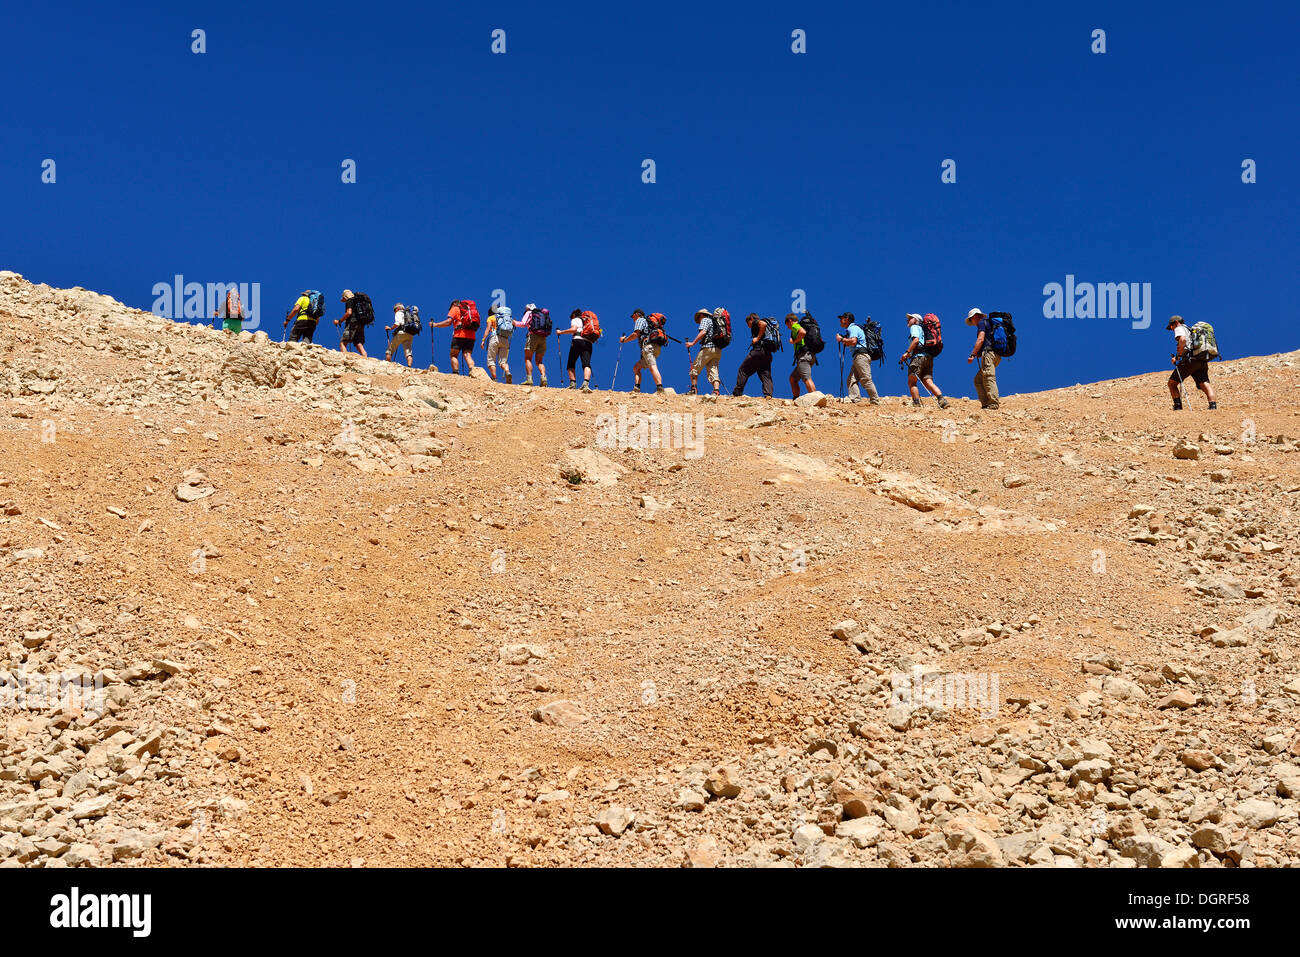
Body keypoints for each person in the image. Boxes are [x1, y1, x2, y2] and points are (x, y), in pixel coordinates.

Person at [899, 313, 950, 408]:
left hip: (918, 357)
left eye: (910, 318)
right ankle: (941, 400)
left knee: (912, 381)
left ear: (915, 320)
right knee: (927, 381)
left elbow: (916, 341)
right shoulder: (923, 330)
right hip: (928, 357)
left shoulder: (914, 327)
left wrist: (907, 352)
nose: (908, 320)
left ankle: (916, 403)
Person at [1167, 315, 1217, 410]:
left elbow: (1183, 340)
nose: (1172, 329)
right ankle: (1213, 406)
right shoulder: (1190, 330)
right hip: (1201, 359)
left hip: (1190, 360)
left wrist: (1179, 356)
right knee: (1204, 383)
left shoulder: (1179, 328)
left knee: (1172, 383)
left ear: (1176, 322)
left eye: (1171, 327)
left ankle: (1178, 407)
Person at [835, 312, 880, 404]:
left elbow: (853, 341)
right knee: (851, 379)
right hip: (858, 357)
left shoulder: (853, 328)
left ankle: (875, 400)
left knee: (866, 378)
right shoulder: (852, 329)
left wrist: (842, 339)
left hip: (861, 356)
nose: (840, 320)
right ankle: (855, 399)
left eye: (841, 318)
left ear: (846, 319)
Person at [619, 309, 665, 394]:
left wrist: (624, 340)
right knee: (636, 367)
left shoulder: (640, 320)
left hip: (648, 347)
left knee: (652, 366)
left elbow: (635, 334)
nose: (633, 318)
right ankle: (637, 388)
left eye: (633, 316)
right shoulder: (650, 323)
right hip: (656, 347)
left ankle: (660, 388)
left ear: (637, 314)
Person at [731, 313, 776, 398]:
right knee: (765, 374)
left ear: (751, 319)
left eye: (748, 323)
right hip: (767, 354)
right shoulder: (768, 331)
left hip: (758, 351)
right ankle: (768, 395)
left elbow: (763, 324)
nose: (748, 326)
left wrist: (757, 338)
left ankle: (737, 393)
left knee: (743, 370)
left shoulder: (756, 322)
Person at [964, 308, 1001, 410]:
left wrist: (973, 354)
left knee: (989, 377)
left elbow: (980, 339)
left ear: (975, 316)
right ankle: (985, 404)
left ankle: (993, 403)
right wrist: (979, 353)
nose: (972, 322)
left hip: (989, 354)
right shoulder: (989, 324)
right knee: (978, 380)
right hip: (996, 355)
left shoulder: (981, 323)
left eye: (971, 320)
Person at [432, 299, 478, 374]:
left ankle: (455, 373)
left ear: (453, 304)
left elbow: (448, 322)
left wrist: (435, 324)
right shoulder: (468, 310)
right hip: (471, 335)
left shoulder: (455, 309)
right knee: (467, 354)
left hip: (459, 334)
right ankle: (473, 371)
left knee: (454, 355)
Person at [685, 307, 722, 398]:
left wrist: (692, 343)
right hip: (717, 349)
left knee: (694, 368)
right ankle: (716, 391)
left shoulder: (705, 320)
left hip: (708, 348)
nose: (699, 320)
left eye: (698, 318)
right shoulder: (714, 323)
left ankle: (693, 389)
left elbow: (703, 332)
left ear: (701, 315)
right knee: (713, 370)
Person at [558, 308, 597, 391]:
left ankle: (573, 384)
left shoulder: (575, 319)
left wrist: (561, 332)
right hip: (588, 342)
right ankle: (585, 384)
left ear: (573, 315)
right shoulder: (587, 321)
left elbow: (574, 329)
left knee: (570, 364)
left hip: (578, 340)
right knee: (586, 364)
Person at [784, 313, 817, 398]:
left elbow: (802, 332)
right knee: (793, 378)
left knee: (806, 378)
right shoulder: (801, 325)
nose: (788, 328)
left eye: (788, 325)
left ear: (790, 321)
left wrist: (794, 341)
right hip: (810, 356)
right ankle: (796, 399)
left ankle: (815, 399)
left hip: (804, 356)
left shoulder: (795, 326)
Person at [519, 303, 550, 387]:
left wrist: (514, 323)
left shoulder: (529, 313)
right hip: (543, 337)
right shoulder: (542, 314)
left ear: (528, 308)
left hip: (533, 336)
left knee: (528, 358)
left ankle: (529, 379)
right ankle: (544, 378)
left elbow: (523, 324)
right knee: (539, 361)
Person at [334, 290, 372, 357]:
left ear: (345, 296)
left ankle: (345, 359)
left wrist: (339, 321)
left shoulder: (350, 300)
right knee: (359, 344)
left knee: (343, 343)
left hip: (353, 323)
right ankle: (365, 360)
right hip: (361, 323)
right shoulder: (358, 302)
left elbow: (349, 312)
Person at [482, 304, 514, 383]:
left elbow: (488, 329)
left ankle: (494, 378)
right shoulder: (506, 318)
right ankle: (507, 372)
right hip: (505, 339)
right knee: (503, 361)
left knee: (491, 360)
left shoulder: (491, 318)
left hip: (495, 338)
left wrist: (483, 340)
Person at [385, 302, 419, 367]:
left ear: (397, 308)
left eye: (394, 310)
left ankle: (387, 365)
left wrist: (390, 328)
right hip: (410, 334)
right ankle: (409, 366)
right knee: (408, 352)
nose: (394, 312)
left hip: (401, 333)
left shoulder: (399, 313)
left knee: (389, 350)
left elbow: (397, 323)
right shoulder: (409, 314)